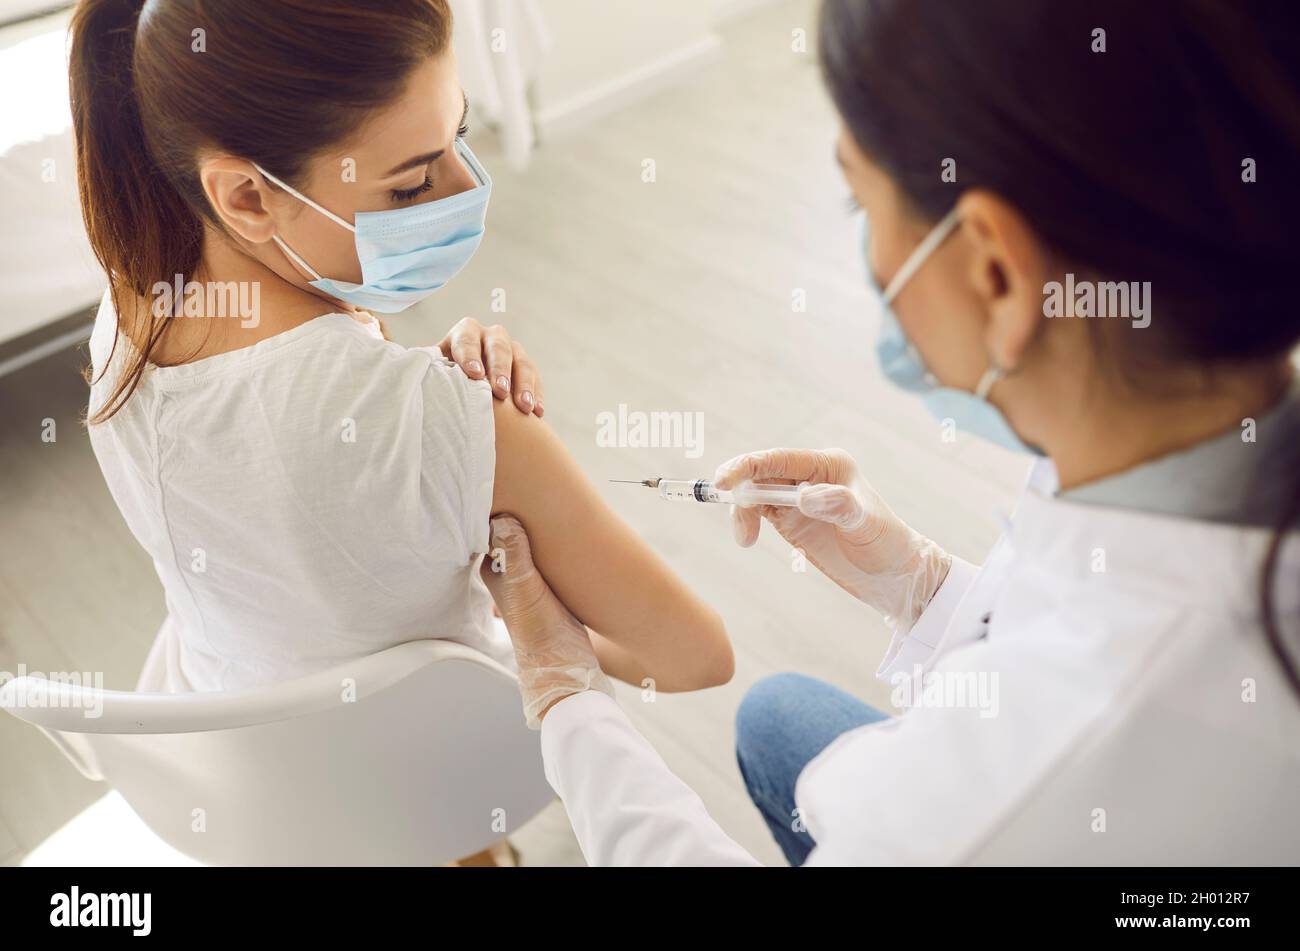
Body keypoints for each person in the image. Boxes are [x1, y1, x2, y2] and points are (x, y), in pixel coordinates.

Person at [480, 0, 1300, 865]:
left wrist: (570, 703)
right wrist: (921, 583)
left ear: (995, 271)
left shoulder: (987, 798)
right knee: (776, 717)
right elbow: (1077, 616)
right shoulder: (1171, 455)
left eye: (856, 202)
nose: (871, 255)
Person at [70, 0, 733, 695]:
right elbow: (694, 658)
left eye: (461, 132)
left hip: (225, 727)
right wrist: (464, 437)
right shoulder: (461, 420)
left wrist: (416, 391)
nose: (469, 186)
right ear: (247, 197)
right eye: (412, 184)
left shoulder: (125, 316)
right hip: (431, 760)